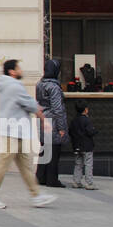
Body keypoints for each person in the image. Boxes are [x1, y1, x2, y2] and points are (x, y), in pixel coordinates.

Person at [0, 59, 56, 209]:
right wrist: (44, 121)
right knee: (4, 162)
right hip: (13, 130)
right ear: (12, 71)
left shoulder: (7, 85)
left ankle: (36, 195)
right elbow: (31, 105)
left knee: (24, 164)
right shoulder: (14, 86)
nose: (21, 70)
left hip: (17, 130)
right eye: (18, 68)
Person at [34, 58, 67, 188]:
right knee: (54, 151)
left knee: (44, 149)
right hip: (52, 121)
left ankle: (41, 177)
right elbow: (57, 108)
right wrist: (62, 127)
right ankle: (52, 179)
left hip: (42, 120)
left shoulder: (40, 84)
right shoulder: (54, 87)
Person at [69, 102, 98, 190]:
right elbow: (90, 132)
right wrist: (95, 130)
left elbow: (70, 132)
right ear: (85, 110)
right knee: (88, 164)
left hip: (77, 145)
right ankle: (89, 183)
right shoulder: (86, 120)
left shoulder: (74, 120)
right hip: (87, 146)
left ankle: (76, 182)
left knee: (78, 163)